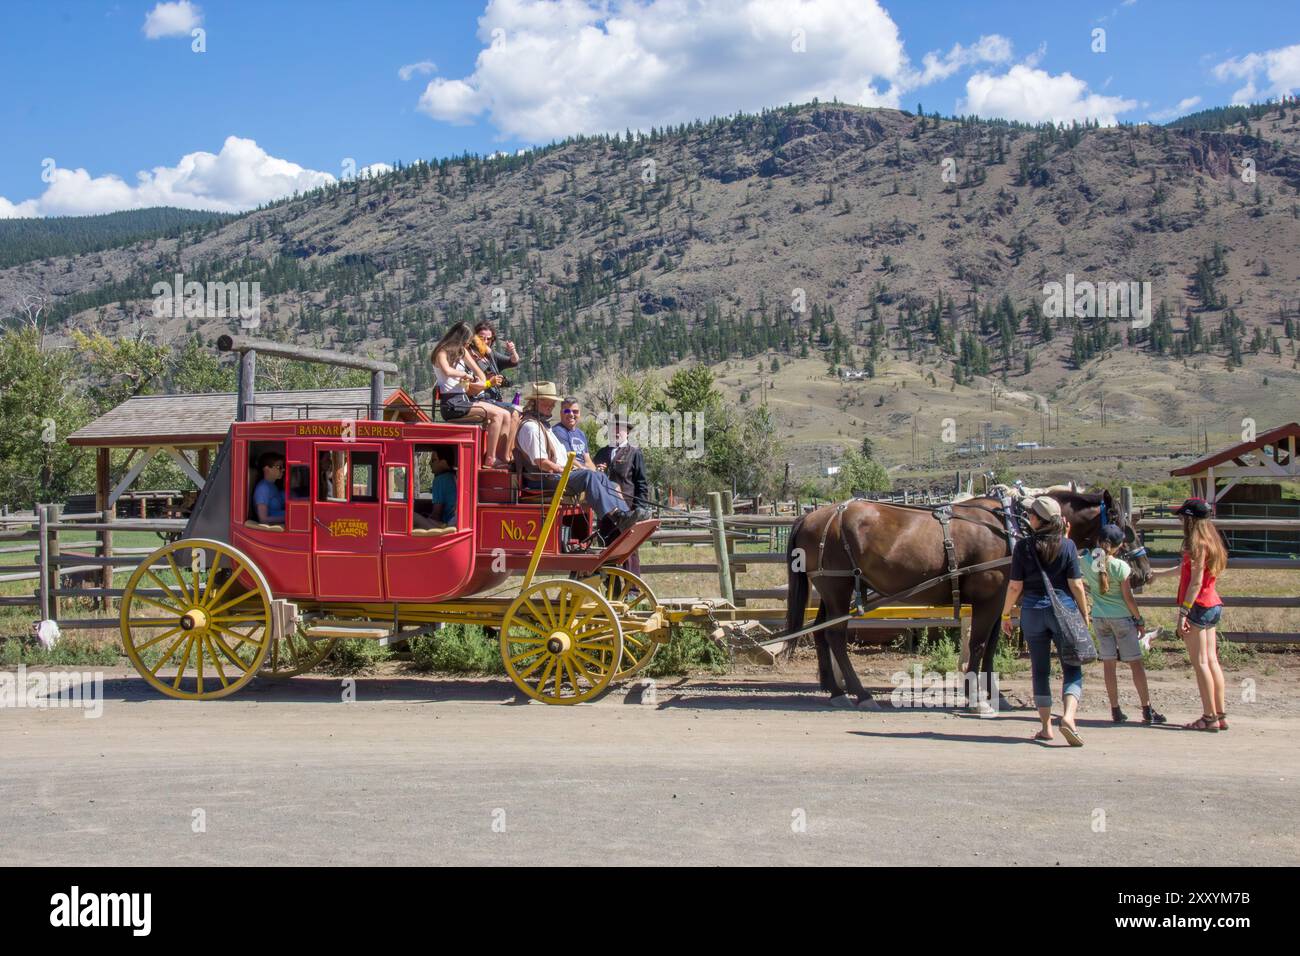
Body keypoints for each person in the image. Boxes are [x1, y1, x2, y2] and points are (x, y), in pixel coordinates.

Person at [1000, 495, 1090, 746]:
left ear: (1038, 520)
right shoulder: (1068, 546)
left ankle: (1045, 727)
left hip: (1032, 612)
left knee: (1040, 670)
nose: (1029, 517)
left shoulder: (1023, 546)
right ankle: (1069, 717)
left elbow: (1015, 586)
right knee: (1072, 667)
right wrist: (1084, 614)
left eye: (1032, 515)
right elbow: (1076, 585)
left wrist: (1006, 614)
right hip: (1064, 611)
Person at [515, 382, 651, 536]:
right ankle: (617, 516)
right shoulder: (532, 428)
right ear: (535, 402)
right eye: (546, 402)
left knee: (598, 475)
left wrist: (572, 468)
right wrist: (564, 469)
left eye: (552, 403)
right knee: (589, 475)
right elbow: (542, 462)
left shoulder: (544, 426)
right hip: (544, 478)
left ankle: (626, 515)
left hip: (557, 475)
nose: (551, 405)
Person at [1082, 524, 1166, 725]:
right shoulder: (1121, 567)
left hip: (1100, 618)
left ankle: (1115, 709)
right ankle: (1147, 709)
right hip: (1122, 619)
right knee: (1136, 664)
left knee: (1108, 665)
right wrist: (1139, 619)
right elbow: (1128, 598)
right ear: (1119, 546)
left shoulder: (1086, 562)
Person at [1173, 497, 1229, 732]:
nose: (1180, 521)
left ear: (1190, 519)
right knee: (1212, 661)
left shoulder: (1196, 543)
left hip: (1198, 606)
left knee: (1201, 663)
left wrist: (1183, 612)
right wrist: (1158, 575)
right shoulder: (1211, 540)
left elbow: (1195, 582)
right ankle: (1220, 713)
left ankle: (1208, 717)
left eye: (1182, 517)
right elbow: (1188, 570)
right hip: (1212, 603)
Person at [431, 322, 515, 469]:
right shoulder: (441, 353)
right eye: (468, 340)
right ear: (460, 337)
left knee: (506, 414)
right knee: (496, 415)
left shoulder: (462, 352)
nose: (469, 343)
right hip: (451, 404)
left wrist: (481, 380)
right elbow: (447, 371)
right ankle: (490, 458)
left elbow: (478, 371)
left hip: (463, 400)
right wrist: (464, 375)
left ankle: (502, 457)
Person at [594, 414, 650, 573]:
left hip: (628, 511)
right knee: (606, 548)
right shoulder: (601, 453)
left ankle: (631, 590)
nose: (616, 431)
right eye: (613, 428)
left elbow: (641, 484)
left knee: (629, 551)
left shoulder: (634, 452)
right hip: (605, 512)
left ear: (627, 432)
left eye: (620, 428)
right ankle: (612, 590)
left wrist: (639, 510)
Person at [414, 448, 457, 529]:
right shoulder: (454, 476)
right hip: (455, 522)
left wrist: (426, 519)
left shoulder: (440, 479)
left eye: (433, 460)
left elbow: (436, 515)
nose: (430, 463)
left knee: (412, 516)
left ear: (443, 462)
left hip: (447, 525)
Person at [552, 397, 596, 469]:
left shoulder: (581, 434)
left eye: (575, 411)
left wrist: (595, 471)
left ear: (579, 413)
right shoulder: (558, 431)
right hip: (570, 471)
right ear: (561, 413)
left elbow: (588, 460)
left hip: (585, 472)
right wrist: (586, 470)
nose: (571, 414)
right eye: (567, 411)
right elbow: (569, 459)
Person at [252, 452, 286, 524]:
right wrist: (289, 518)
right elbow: (263, 519)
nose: (283, 470)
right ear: (267, 469)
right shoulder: (263, 489)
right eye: (279, 467)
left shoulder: (272, 486)